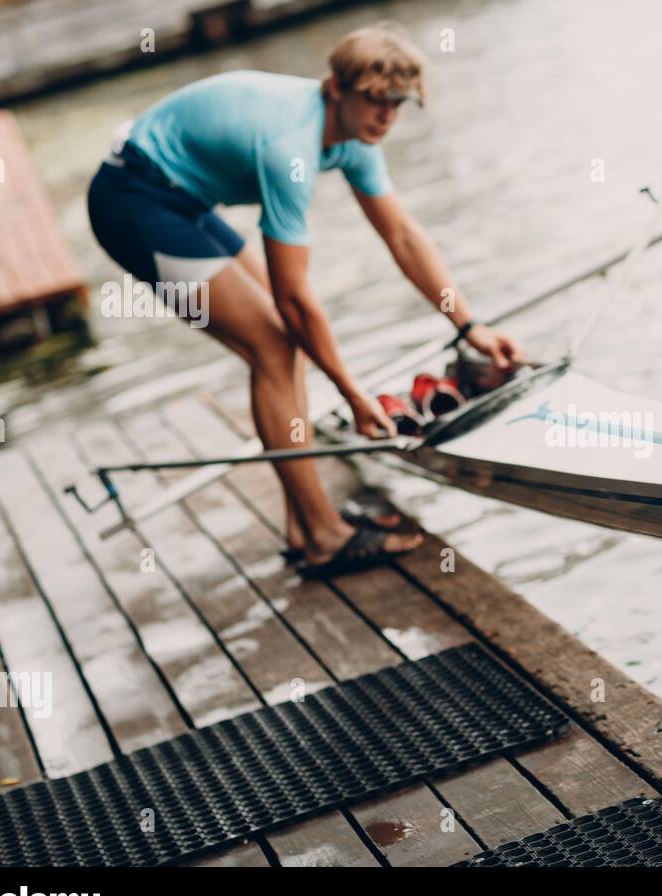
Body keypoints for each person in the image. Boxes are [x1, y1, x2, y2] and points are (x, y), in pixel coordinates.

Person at [87, 23, 523, 577]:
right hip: (131, 201)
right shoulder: (289, 145)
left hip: (182, 197)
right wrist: (353, 393)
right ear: (335, 88)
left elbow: (404, 237)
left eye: (398, 104)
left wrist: (470, 326)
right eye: (376, 101)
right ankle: (321, 535)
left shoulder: (356, 136)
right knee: (272, 343)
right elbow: (295, 300)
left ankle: (304, 525)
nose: (387, 116)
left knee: (283, 341)